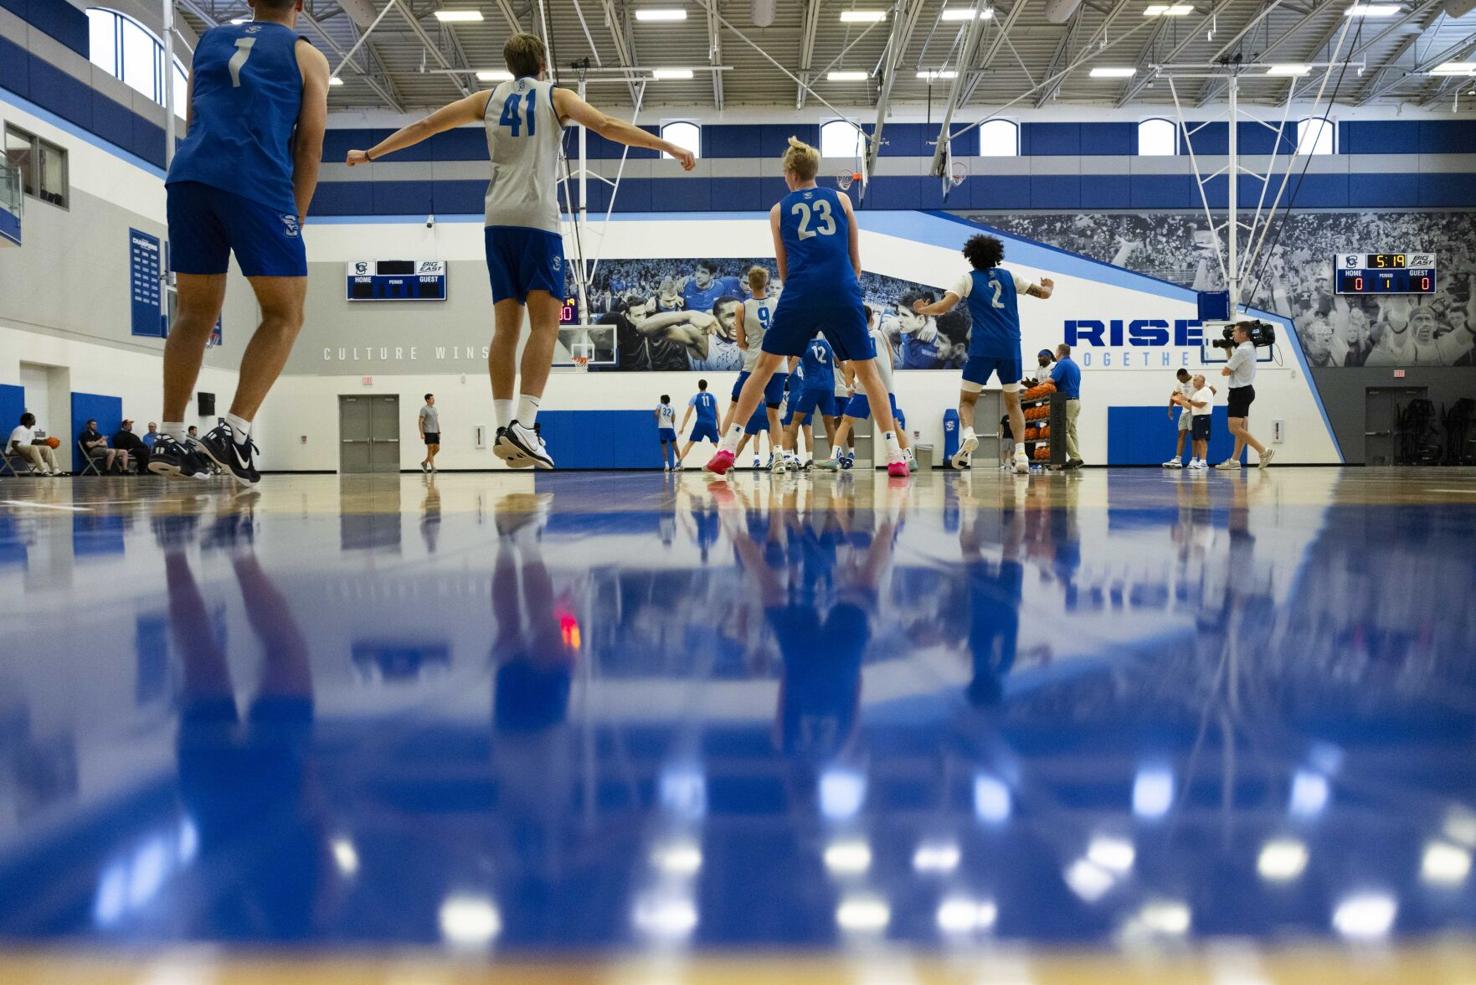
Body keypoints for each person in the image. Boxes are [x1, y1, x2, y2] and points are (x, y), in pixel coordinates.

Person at [345, 33, 695, 471]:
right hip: (537, 219)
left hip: (495, 220)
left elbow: (425, 126)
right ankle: (526, 425)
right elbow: (607, 126)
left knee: (504, 330)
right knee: (546, 326)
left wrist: (371, 153)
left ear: (508, 65)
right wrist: (670, 145)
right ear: (544, 63)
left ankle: (500, 425)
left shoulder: (486, 98)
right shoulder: (557, 96)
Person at [148, 0, 331, 486]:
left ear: (250, 0)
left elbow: (192, 120)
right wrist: (295, 213)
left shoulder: (207, 42)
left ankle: (169, 435)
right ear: (300, 4)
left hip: (189, 177)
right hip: (256, 182)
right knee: (285, 312)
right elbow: (310, 144)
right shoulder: (307, 55)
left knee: (194, 312)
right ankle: (234, 430)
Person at [706, 137, 908, 478]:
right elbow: (856, 263)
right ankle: (895, 455)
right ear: (815, 170)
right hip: (841, 289)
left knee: (763, 369)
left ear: (789, 173)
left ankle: (727, 449)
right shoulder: (842, 199)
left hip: (800, 291)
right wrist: (840, 288)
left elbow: (783, 270)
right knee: (868, 373)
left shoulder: (779, 210)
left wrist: (803, 292)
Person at [912, 234, 1053, 474]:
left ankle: (968, 434)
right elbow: (1044, 293)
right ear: (997, 255)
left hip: (983, 346)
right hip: (1010, 345)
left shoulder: (967, 279)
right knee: (1013, 403)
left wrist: (922, 309)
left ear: (970, 256)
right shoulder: (1010, 277)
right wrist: (1049, 285)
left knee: (967, 401)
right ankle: (1021, 457)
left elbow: (945, 307)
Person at [818, 307, 915, 472]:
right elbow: (891, 356)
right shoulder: (881, 334)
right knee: (894, 423)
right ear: (872, 319)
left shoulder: (856, 338)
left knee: (846, 421)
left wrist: (852, 385)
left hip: (866, 385)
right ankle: (909, 458)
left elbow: (852, 364)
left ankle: (834, 457)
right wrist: (889, 377)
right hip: (885, 385)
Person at [723, 267, 784, 452]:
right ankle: (779, 456)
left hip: (753, 364)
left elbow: (740, 342)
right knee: (774, 414)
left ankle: (722, 450)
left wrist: (754, 347)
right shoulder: (777, 304)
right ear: (767, 283)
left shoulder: (742, 307)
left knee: (734, 405)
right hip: (777, 364)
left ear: (749, 285)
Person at [1217, 322, 1274, 470]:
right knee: (1241, 429)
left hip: (1239, 392)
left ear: (1243, 334)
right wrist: (1228, 350)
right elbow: (1233, 367)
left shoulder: (1242, 350)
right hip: (1246, 390)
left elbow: (1226, 371)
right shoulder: (1249, 347)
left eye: (1235, 331)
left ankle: (1263, 451)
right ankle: (1235, 460)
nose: (1232, 334)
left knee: (1234, 429)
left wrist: (1229, 353)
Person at [781, 334, 840, 470]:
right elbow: (840, 361)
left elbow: (792, 364)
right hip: (829, 386)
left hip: (810, 387)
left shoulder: (802, 344)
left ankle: (788, 456)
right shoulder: (827, 344)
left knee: (794, 422)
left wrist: (782, 379)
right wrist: (850, 381)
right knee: (829, 425)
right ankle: (834, 458)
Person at [1173, 373, 1214, 470]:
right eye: (1194, 380)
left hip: (1203, 417)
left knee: (1202, 439)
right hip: (1196, 417)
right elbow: (1191, 407)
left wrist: (1188, 399)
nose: (1194, 382)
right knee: (1198, 439)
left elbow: (1201, 404)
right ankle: (1200, 461)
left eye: (1196, 380)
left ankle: (1203, 461)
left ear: (1202, 381)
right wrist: (1181, 401)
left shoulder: (1206, 390)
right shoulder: (1197, 393)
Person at [1051, 343, 1083, 469]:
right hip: (1076, 401)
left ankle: (1075, 457)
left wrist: (1039, 384)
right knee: (1072, 431)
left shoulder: (1062, 364)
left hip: (1067, 401)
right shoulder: (1075, 365)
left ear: (1060, 352)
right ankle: (1075, 460)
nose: (1055, 354)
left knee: (1062, 430)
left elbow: (1052, 379)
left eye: (1056, 351)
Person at [677, 379, 722, 466]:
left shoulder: (695, 397)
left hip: (700, 423)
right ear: (706, 386)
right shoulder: (713, 397)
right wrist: (719, 427)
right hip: (711, 423)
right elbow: (718, 413)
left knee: (690, 443)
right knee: (718, 445)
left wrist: (682, 427)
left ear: (698, 386)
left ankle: (679, 462)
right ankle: (729, 463)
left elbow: (687, 415)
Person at [1163, 368, 1195, 469]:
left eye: (1181, 379)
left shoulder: (1196, 380)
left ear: (1185, 375)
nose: (1180, 381)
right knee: (1181, 434)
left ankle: (1194, 460)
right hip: (1184, 411)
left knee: (1194, 436)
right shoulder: (1179, 383)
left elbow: (1210, 390)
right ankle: (1178, 459)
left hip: (1194, 411)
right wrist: (1170, 410)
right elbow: (1173, 395)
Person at [655, 394, 679, 471]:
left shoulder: (660, 405)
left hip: (662, 428)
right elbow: (673, 419)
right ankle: (680, 463)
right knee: (675, 446)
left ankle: (666, 464)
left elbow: (656, 414)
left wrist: (658, 416)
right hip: (670, 428)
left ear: (662, 400)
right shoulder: (672, 408)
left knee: (664, 446)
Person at [418, 393, 440, 474]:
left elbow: (436, 421)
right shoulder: (424, 409)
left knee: (437, 449)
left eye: (433, 398)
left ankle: (424, 463)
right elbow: (420, 421)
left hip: (435, 432)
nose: (433, 400)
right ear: (427, 400)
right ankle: (433, 467)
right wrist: (421, 433)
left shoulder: (435, 409)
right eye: (432, 398)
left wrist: (439, 431)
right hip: (428, 431)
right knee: (430, 448)